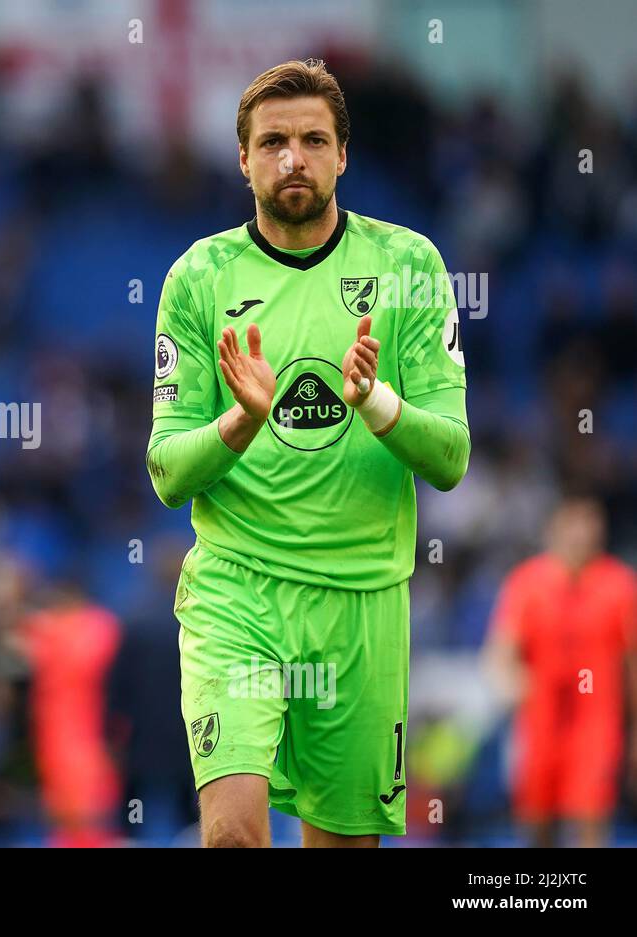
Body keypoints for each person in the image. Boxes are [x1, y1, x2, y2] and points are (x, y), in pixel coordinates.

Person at [146, 59, 470, 846]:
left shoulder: (409, 266)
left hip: (361, 602)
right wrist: (241, 423)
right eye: (275, 141)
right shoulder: (200, 276)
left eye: (314, 140)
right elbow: (166, 472)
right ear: (245, 159)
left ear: (343, 156)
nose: (295, 158)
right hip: (239, 594)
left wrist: (375, 402)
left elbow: (451, 456)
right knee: (231, 833)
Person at [483, 495, 637, 847]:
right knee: (537, 825)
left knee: (590, 820)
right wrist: (509, 679)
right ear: (554, 528)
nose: (583, 532)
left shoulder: (620, 585)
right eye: (574, 522)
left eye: (590, 522)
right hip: (540, 724)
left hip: (595, 726)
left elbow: (632, 665)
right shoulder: (527, 583)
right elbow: (500, 651)